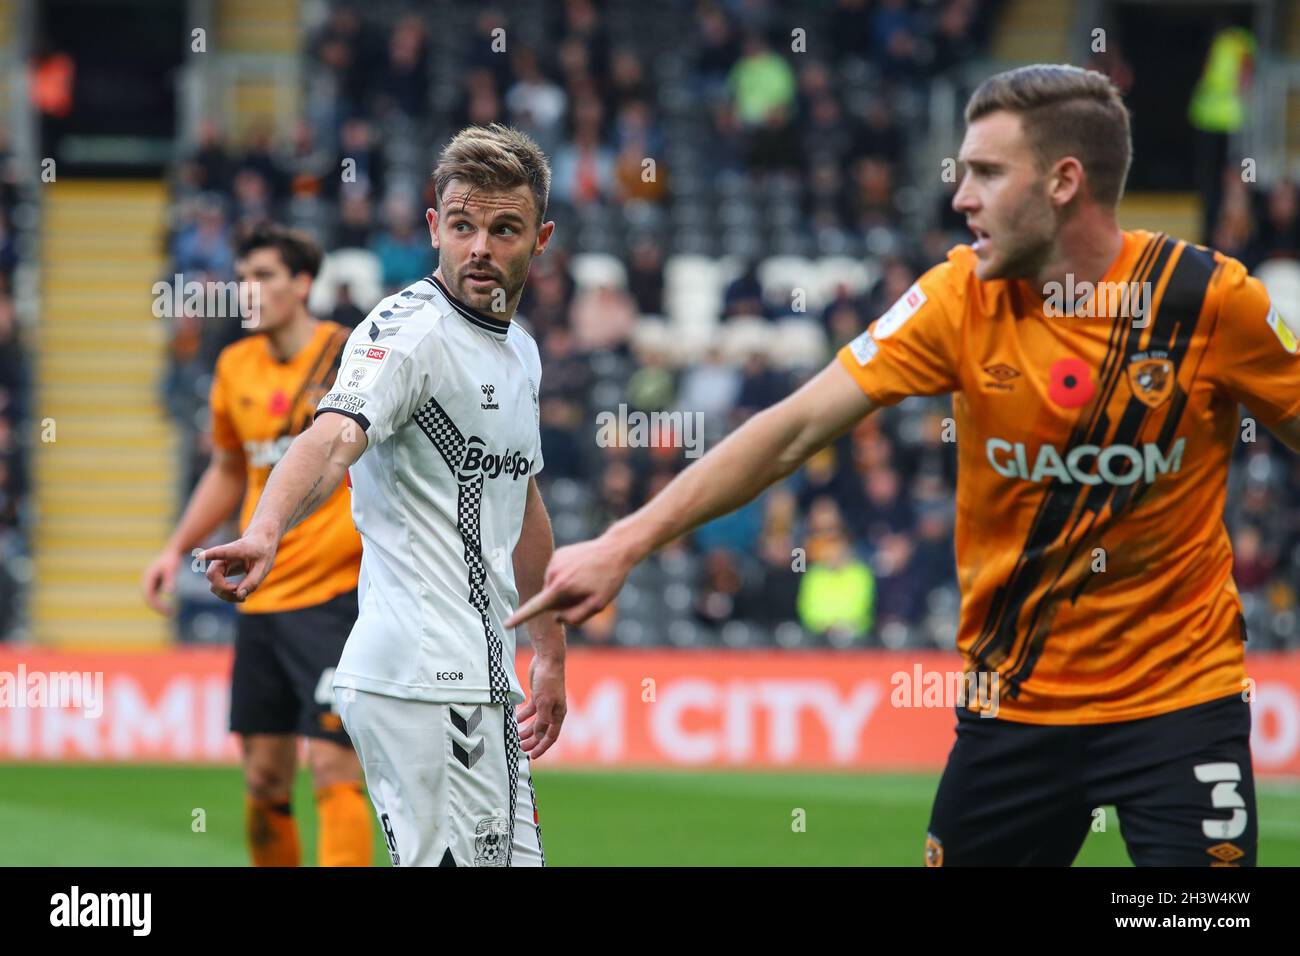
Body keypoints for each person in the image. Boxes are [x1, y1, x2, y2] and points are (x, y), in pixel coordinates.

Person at [508, 65, 1300, 867]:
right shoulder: (959, 299)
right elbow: (793, 427)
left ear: (1065, 181)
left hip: (1181, 703)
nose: (961, 198)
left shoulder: (1208, 301)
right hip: (1012, 705)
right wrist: (624, 542)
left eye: (988, 173)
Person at [202, 124, 566, 868]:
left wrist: (549, 653)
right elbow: (333, 435)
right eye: (462, 226)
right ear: (434, 227)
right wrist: (268, 527)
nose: (480, 249)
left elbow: (522, 504)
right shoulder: (407, 333)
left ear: (542, 238)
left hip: (478, 673)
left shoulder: (519, 349)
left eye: (505, 229)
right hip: (426, 676)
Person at [142, 224, 371, 867]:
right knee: (265, 778)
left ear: (302, 284)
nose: (250, 290)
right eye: (244, 277)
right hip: (260, 598)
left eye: (265, 276)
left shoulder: (350, 356)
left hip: (337, 597)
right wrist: (173, 548)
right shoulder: (234, 365)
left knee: (333, 765)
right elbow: (228, 468)